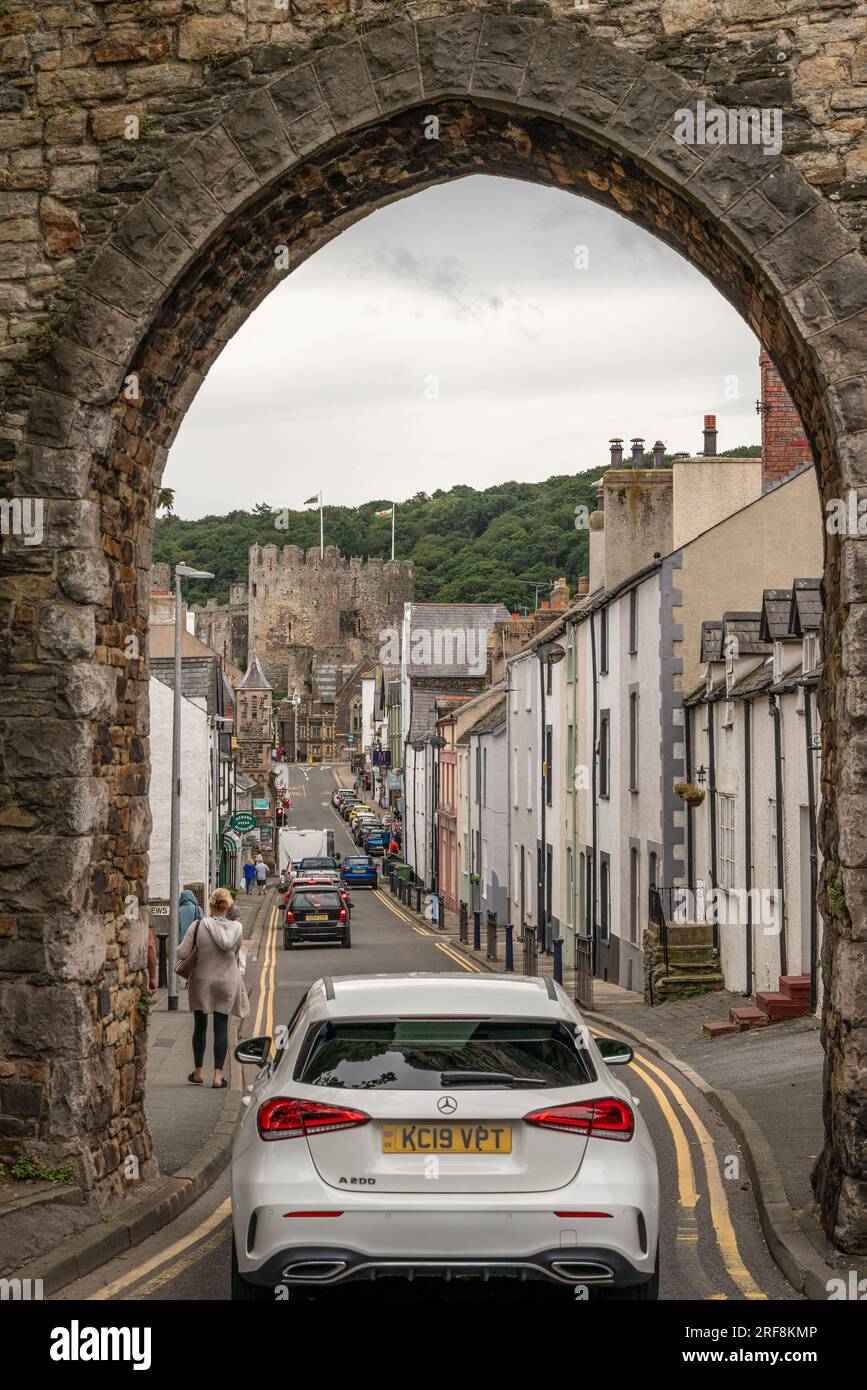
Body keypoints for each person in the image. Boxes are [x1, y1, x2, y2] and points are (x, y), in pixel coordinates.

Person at [178, 886, 249, 1089]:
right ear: (228, 906)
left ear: (210, 905)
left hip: (201, 981)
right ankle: (218, 1077)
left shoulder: (198, 926)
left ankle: (199, 1072)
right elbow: (235, 952)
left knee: (200, 1026)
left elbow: (182, 953)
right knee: (221, 1027)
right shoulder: (237, 928)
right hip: (226, 982)